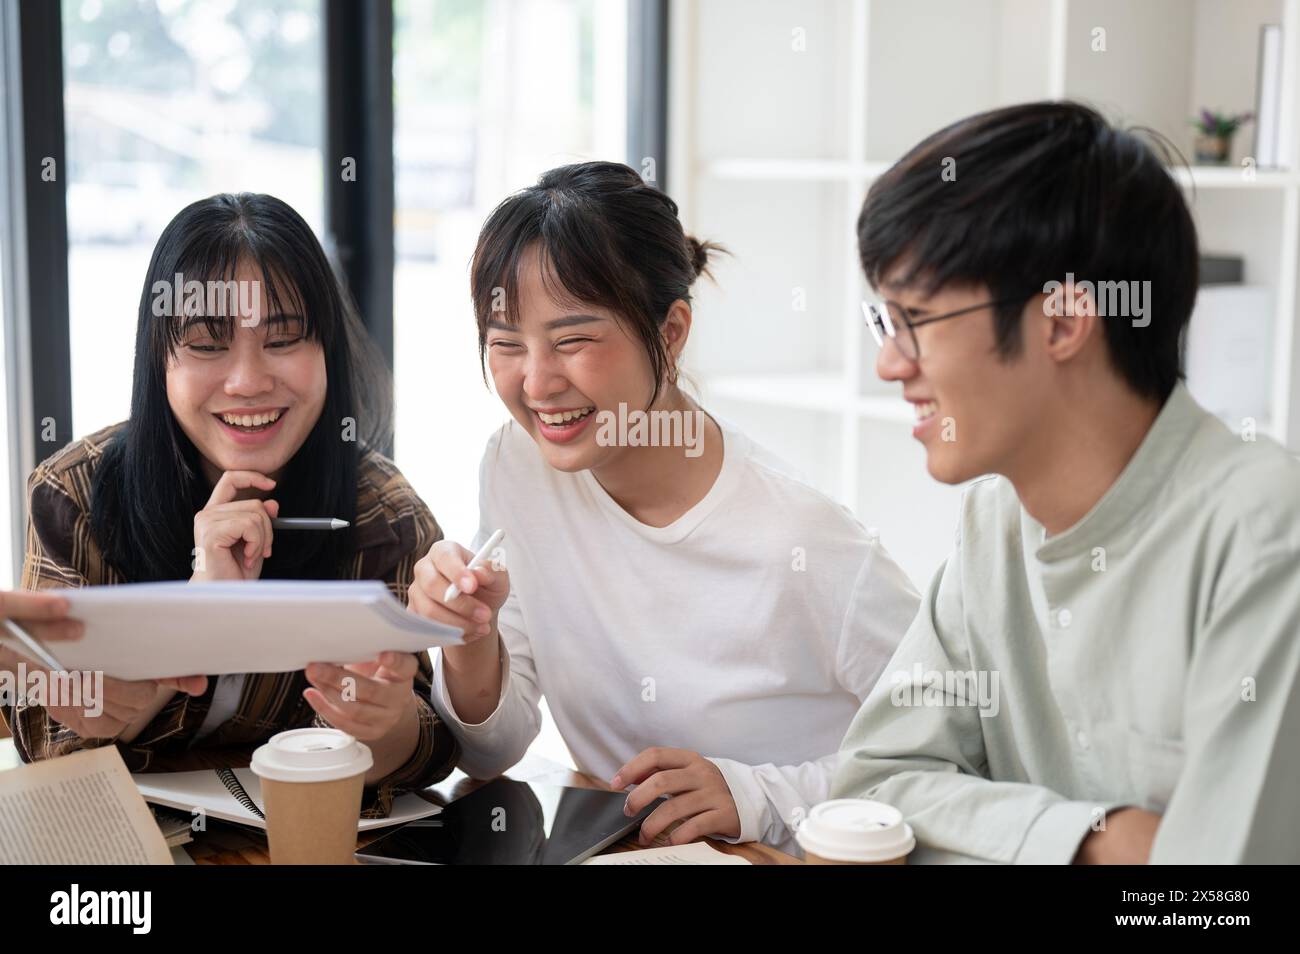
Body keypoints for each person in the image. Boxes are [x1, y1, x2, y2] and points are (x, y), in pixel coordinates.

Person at [831, 102, 1300, 863]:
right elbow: (873, 794)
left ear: (1061, 322)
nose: (889, 363)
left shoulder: (1265, 536)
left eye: (915, 318)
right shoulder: (996, 521)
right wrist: (1093, 841)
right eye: (883, 321)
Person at [407, 161, 919, 852]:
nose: (536, 382)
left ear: (671, 332)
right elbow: (492, 752)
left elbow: (958, 754)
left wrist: (754, 795)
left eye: (572, 340)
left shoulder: (806, 539)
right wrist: (470, 638)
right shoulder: (517, 466)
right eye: (505, 344)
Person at [1, 193, 458, 814]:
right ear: (158, 359)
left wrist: (388, 725)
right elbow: (46, 743)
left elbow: (429, 741)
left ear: (328, 352)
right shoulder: (73, 492)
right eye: (207, 344)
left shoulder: (382, 512)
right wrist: (188, 619)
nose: (247, 381)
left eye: (285, 337)